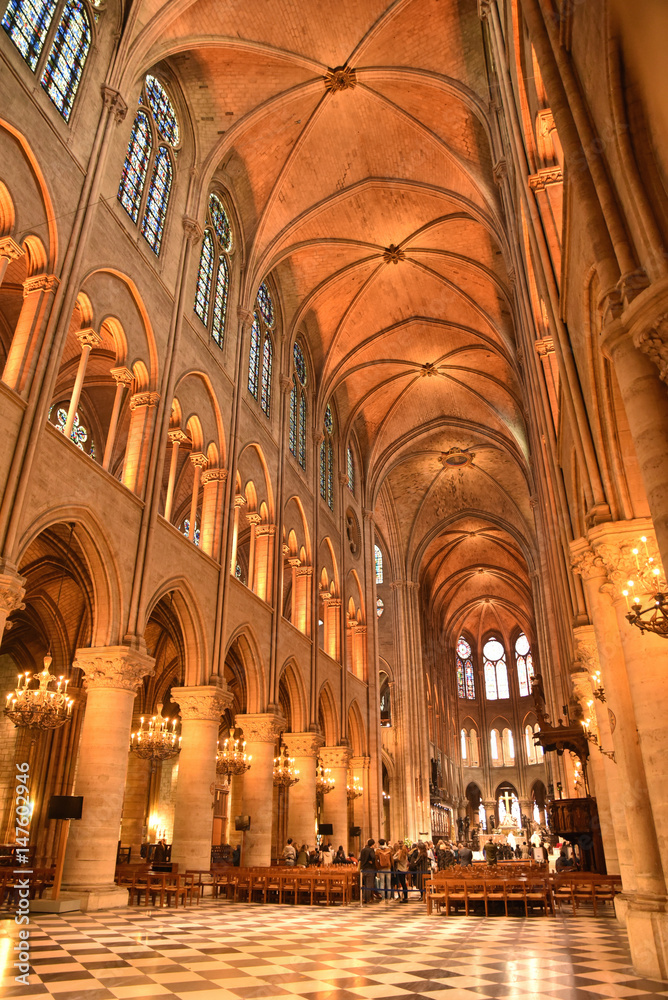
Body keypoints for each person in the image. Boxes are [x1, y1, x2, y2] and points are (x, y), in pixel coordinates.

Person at [359, 838, 379, 903]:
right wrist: (372, 861)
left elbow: (360, 858)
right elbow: (373, 857)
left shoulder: (363, 850)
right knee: (369, 885)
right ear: (373, 844)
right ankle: (367, 899)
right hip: (369, 869)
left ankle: (364, 898)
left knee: (365, 884)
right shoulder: (371, 850)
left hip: (363, 869)